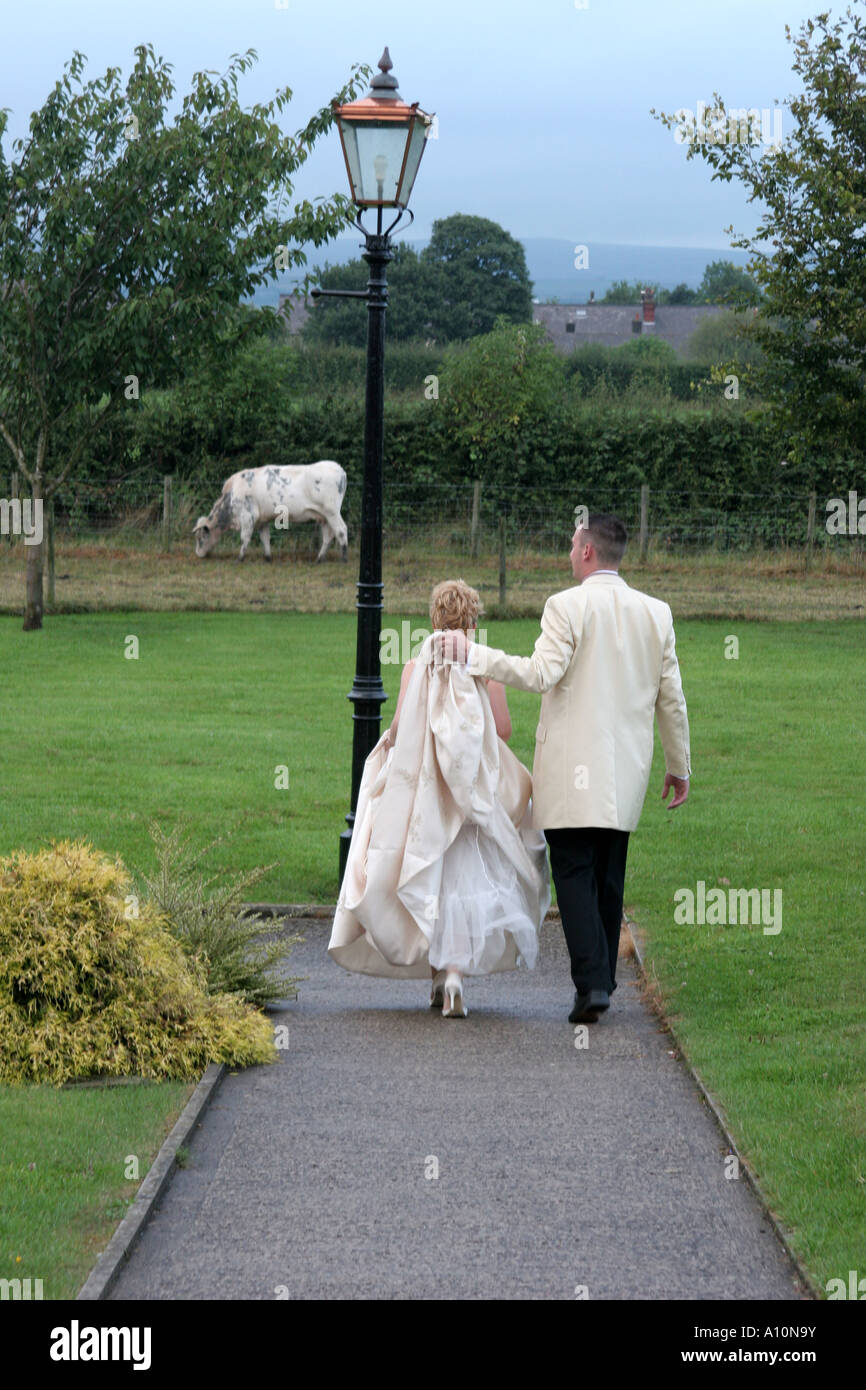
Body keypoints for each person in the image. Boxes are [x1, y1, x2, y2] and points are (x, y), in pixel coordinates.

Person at [433, 515, 691, 1024]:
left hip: (572, 771)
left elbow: (539, 672)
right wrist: (679, 766)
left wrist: (472, 654)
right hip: (626, 772)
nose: (569, 553)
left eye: (573, 545)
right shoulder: (656, 613)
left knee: (574, 872)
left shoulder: (565, 606)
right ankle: (603, 981)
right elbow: (672, 698)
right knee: (608, 874)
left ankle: (592, 984)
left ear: (590, 552)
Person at [329, 579, 550, 1018]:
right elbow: (501, 731)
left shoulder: (414, 668)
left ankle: (437, 977)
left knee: (427, 876)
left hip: (429, 800)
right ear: (472, 620)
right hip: (469, 796)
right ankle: (453, 974)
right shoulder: (484, 669)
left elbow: (399, 731)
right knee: (464, 886)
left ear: (435, 618)